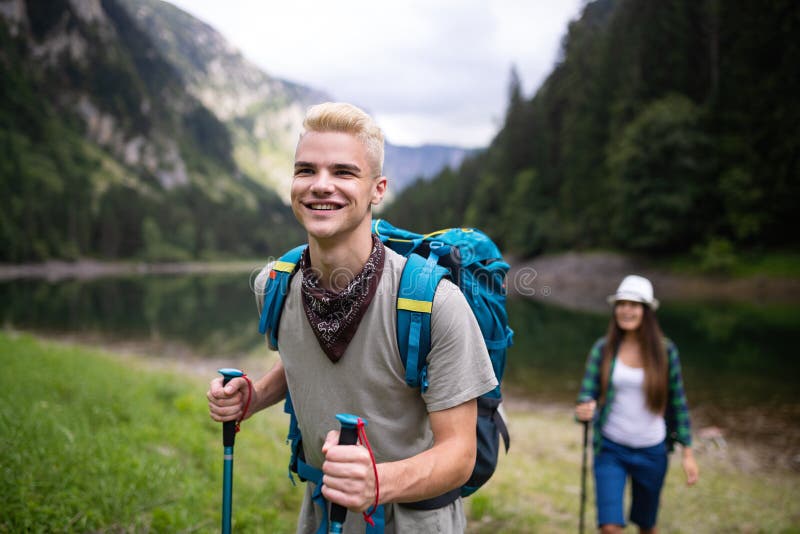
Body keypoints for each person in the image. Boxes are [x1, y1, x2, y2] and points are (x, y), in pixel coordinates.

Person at [207, 102, 498, 533]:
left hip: (412, 521)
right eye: (306, 170)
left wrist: (377, 482)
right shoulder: (273, 285)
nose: (321, 185)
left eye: (343, 172)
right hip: (321, 513)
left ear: (378, 189)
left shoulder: (434, 302)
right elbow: (301, 358)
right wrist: (254, 397)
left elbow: (459, 454)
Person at [575, 275, 699, 534]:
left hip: (652, 451)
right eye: (621, 304)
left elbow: (678, 402)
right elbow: (587, 394)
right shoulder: (604, 349)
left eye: (634, 304)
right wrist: (584, 409)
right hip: (610, 448)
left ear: (646, 311)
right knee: (609, 527)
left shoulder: (666, 352)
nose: (626, 310)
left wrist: (687, 453)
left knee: (646, 526)